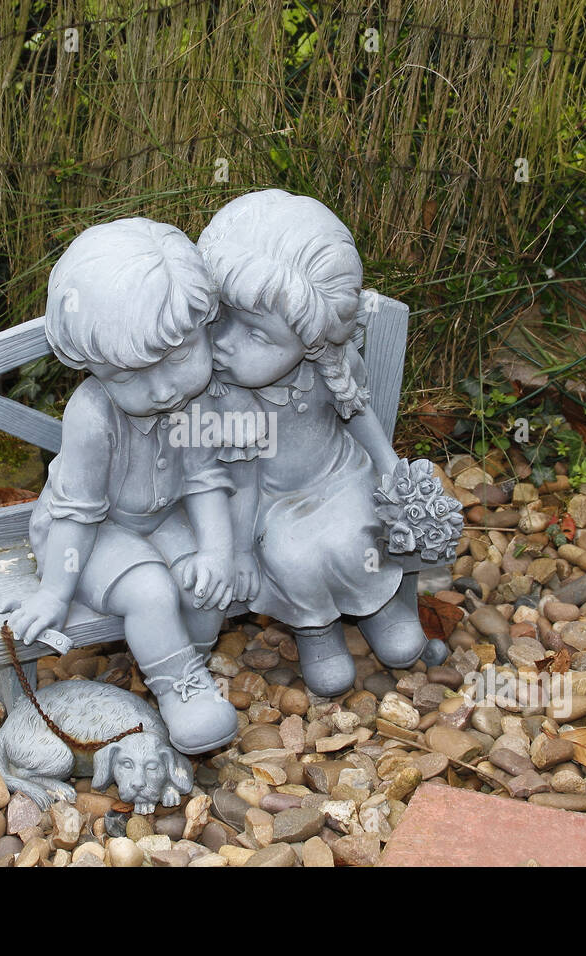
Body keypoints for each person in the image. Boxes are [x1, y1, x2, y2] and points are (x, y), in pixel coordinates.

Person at [3, 218, 237, 754]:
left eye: (178, 357)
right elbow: (77, 513)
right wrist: (54, 591)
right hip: (84, 535)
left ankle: (188, 660)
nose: (161, 389)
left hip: (156, 521)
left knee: (203, 580)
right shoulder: (91, 414)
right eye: (129, 376)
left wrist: (219, 553)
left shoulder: (197, 402)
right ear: (97, 370)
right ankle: (178, 687)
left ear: (206, 324)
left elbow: (205, 481)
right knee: (152, 589)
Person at [198, 189, 427, 696]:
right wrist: (237, 549)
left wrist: (390, 466)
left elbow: (360, 417)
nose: (227, 343)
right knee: (290, 555)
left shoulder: (330, 369)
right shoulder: (229, 397)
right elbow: (244, 481)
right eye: (221, 319)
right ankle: (316, 632)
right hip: (269, 500)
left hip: (340, 475)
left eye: (256, 335)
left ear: (313, 341)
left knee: (360, 534)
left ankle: (382, 610)